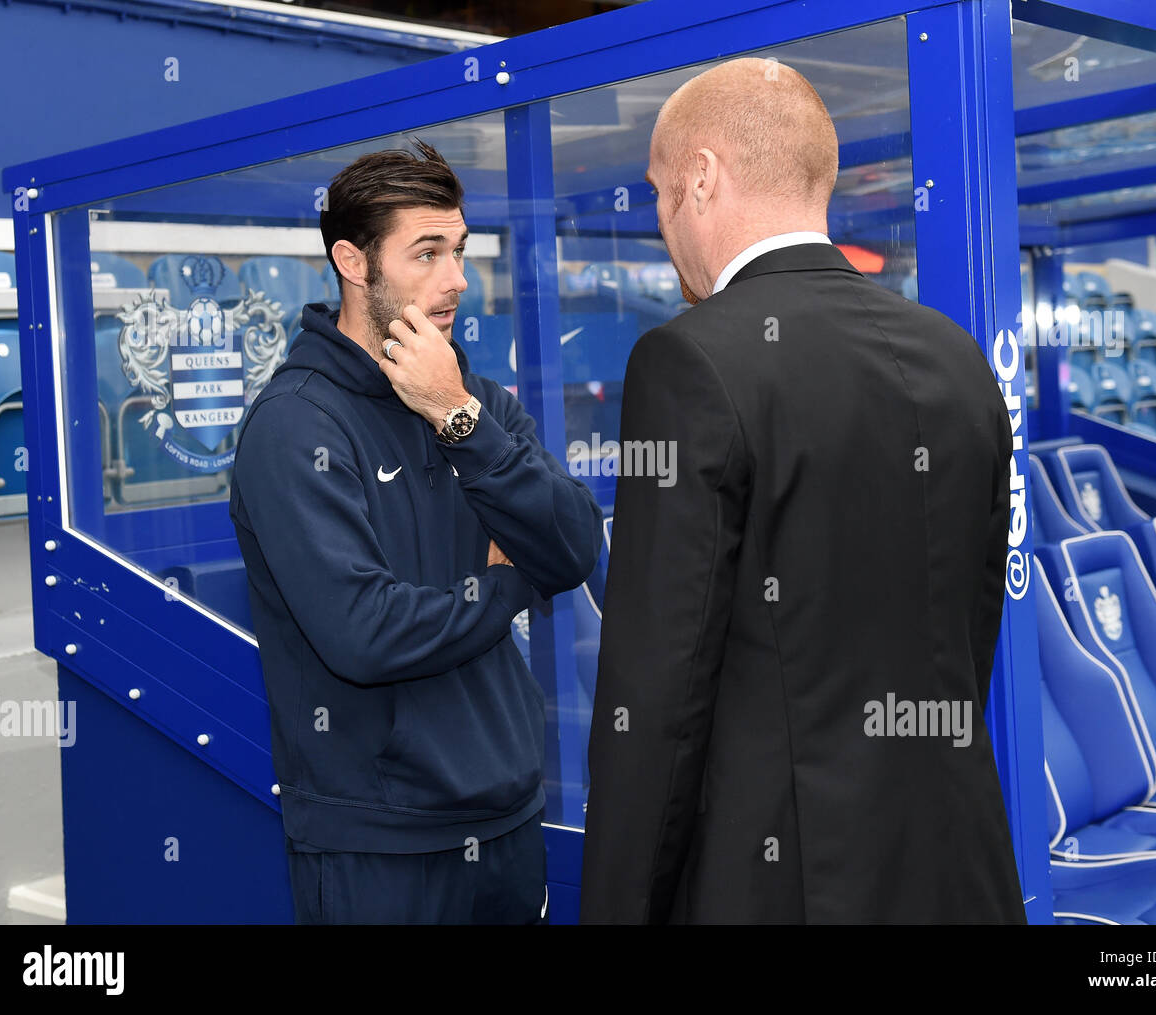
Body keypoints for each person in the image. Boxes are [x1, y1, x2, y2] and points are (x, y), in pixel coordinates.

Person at [579, 58, 1026, 924]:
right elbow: (971, 636)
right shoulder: (956, 355)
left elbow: (656, 696)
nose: (663, 224)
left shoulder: (686, 362)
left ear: (703, 177)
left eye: (663, 193)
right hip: (962, 869)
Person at [229, 140, 603, 924]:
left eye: (459, 251)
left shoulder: (477, 401)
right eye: (426, 252)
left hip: (506, 826)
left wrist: (458, 418)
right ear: (354, 263)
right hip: (379, 850)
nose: (456, 278)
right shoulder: (294, 426)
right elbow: (364, 632)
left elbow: (573, 545)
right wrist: (509, 583)